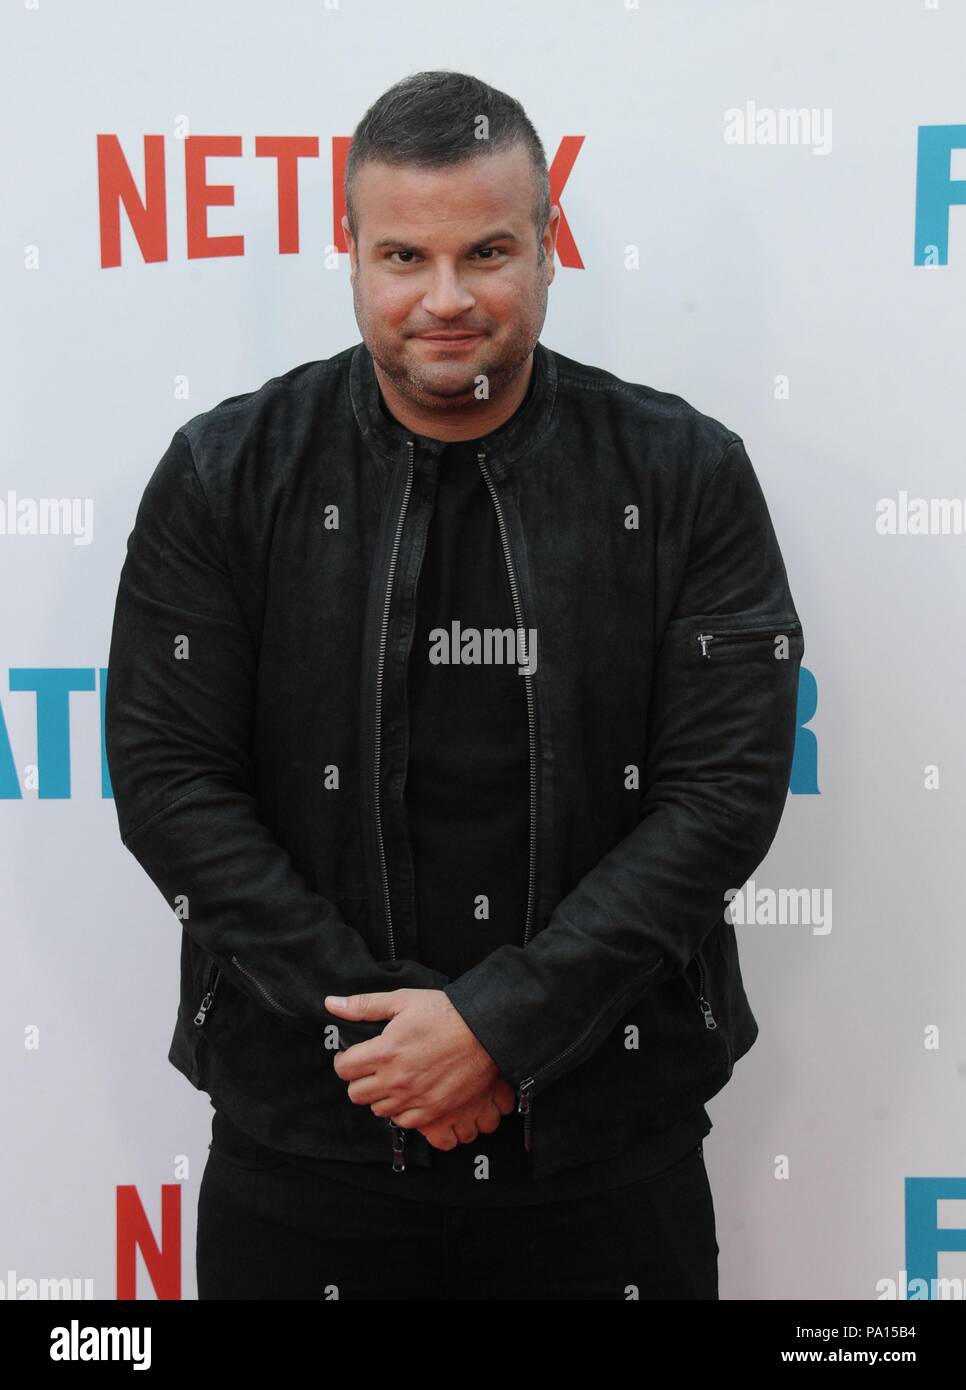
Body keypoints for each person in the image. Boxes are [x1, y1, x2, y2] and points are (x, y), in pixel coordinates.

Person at [105, 69, 804, 1300]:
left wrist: (500, 1028)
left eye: (486, 249)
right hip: (306, 1143)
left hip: (605, 1150)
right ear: (350, 252)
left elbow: (721, 797)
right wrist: (385, 1041)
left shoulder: (685, 472)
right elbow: (170, 787)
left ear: (546, 247)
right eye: (402, 255)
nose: (445, 298)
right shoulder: (226, 472)